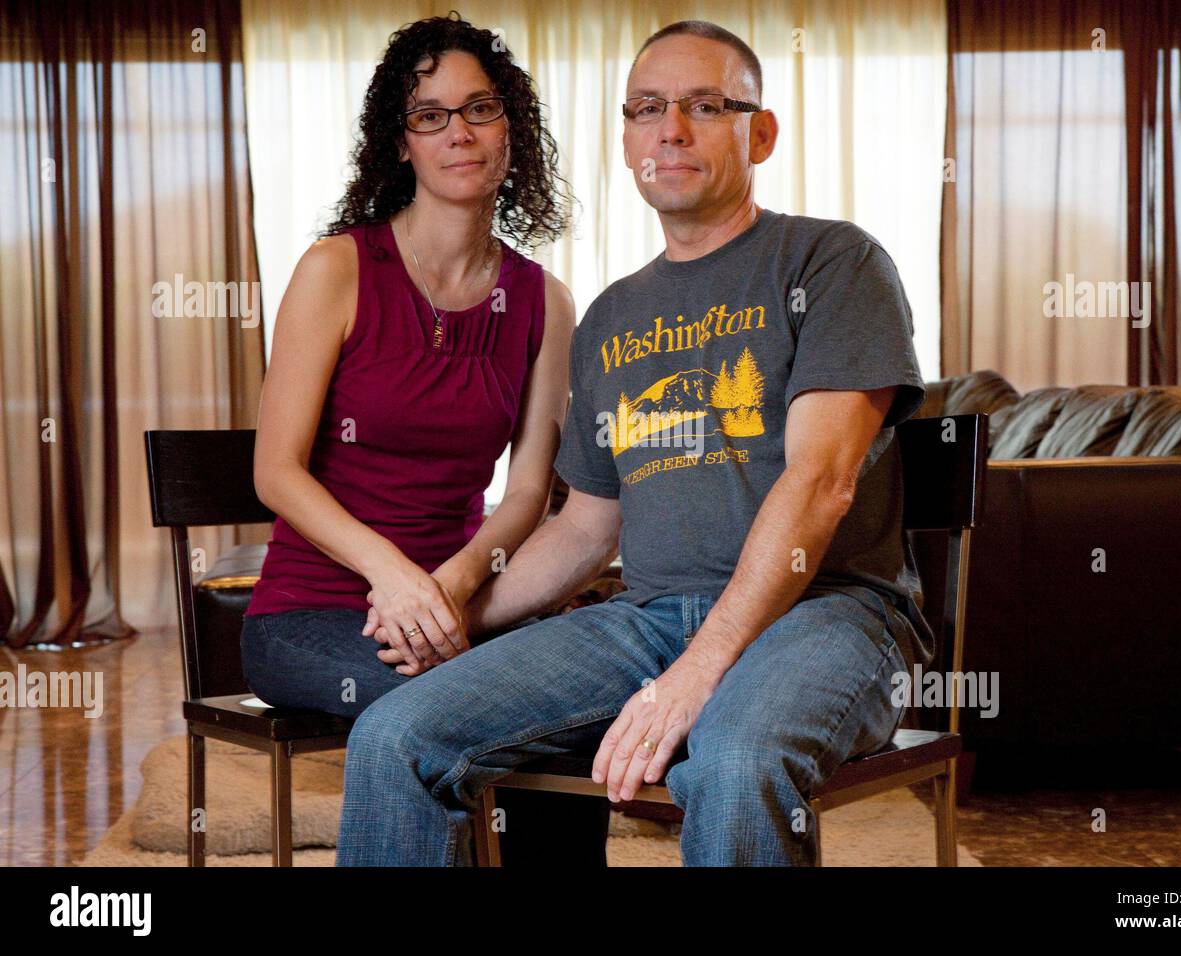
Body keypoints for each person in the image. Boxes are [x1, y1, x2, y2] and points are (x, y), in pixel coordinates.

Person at [338, 19, 931, 867]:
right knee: (395, 734)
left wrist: (695, 674)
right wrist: (455, 620)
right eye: (648, 108)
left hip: (826, 614)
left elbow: (821, 480)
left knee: (735, 758)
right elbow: (585, 527)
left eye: (704, 106)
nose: (671, 129)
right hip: (644, 622)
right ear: (626, 140)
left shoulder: (830, 262)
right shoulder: (613, 315)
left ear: (759, 132)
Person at [240, 13, 610, 864]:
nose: (459, 133)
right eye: (430, 115)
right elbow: (276, 471)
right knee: (450, 714)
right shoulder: (336, 270)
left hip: (459, 604)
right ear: (399, 144)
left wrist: (453, 582)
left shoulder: (544, 302)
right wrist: (396, 579)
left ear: (510, 128)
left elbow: (527, 492)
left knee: (578, 719)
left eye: (479, 109)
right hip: (311, 613)